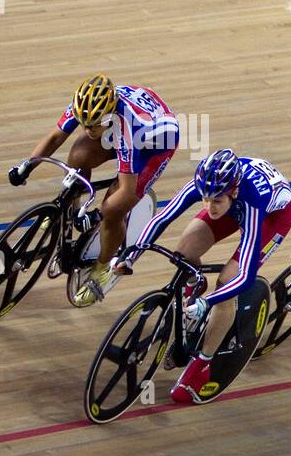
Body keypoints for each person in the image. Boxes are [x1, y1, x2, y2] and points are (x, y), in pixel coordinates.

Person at [119, 149, 291, 403]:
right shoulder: (207, 184)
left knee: (227, 280)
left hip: (272, 217)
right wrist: (130, 255)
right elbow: (163, 217)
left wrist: (208, 302)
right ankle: (195, 282)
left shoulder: (253, 200)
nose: (208, 206)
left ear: (233, 192)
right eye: (205, 199)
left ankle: (203, 363)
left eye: (216, 201)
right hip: (234, 205)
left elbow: (244, 276)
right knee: (184, 251)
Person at [13, 73, 179, 306]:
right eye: (84, 123)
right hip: (124, 122)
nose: (88, 129)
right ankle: (69, 211)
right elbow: (54, 137)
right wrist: (26, 166)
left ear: (109, 114)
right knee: (78, 156)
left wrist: (97, 215)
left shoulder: (129, 130)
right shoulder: (86, 106)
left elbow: (127, 190)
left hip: (154, 145)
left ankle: (102, 269)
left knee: (114, 209)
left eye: (93, 124)